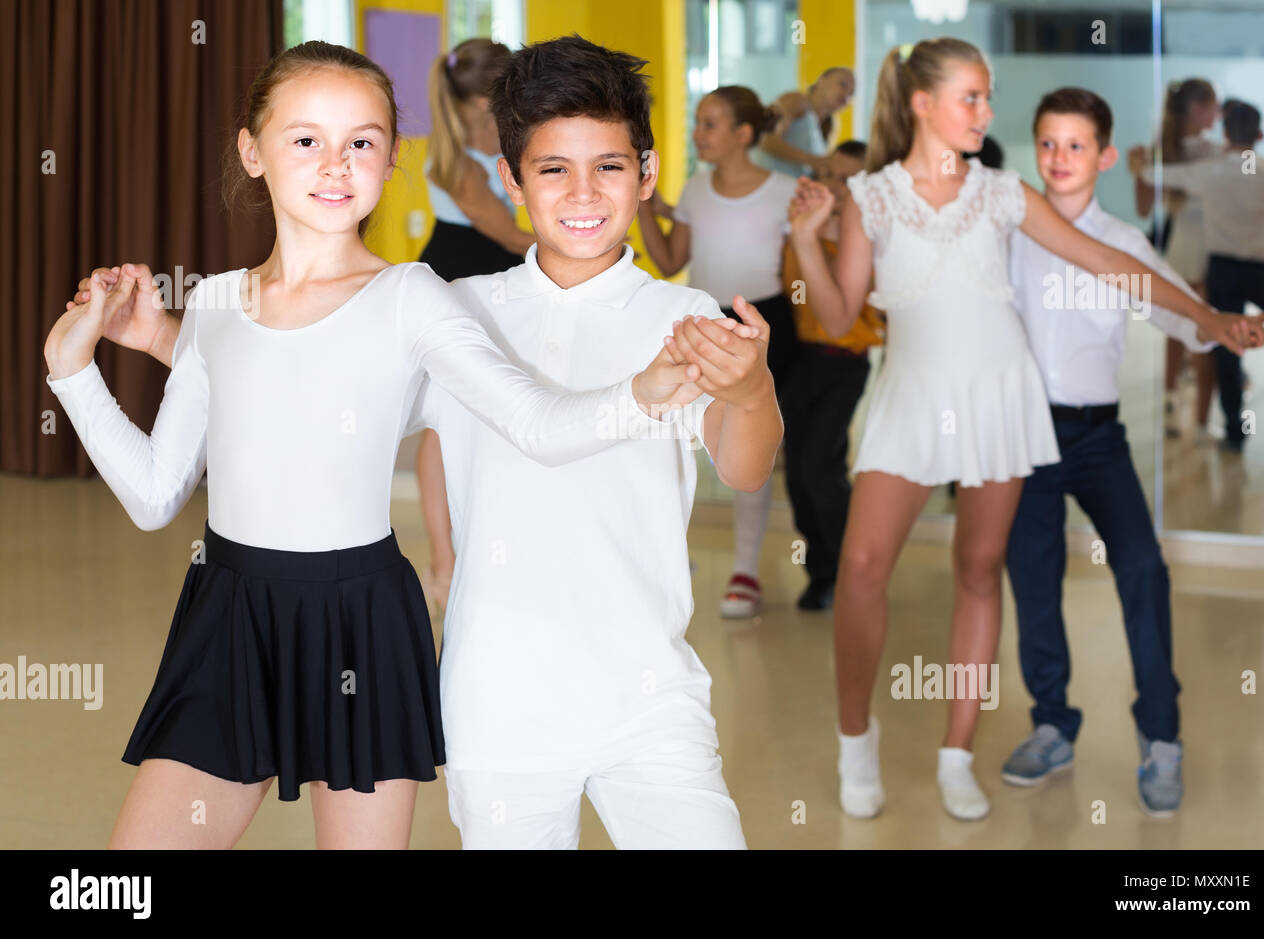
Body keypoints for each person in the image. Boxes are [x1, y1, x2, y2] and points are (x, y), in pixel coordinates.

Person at [77, 35, 783, 850]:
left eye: (611, 167)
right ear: (510, 180)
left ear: (649, 175)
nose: (582, 191)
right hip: (496, 696)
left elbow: (742, 461)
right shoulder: (463, 308)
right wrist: (173, 335)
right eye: (553, 168)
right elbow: (315, 383)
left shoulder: (680, 317)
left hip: (650, 690)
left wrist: (751, 387)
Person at [788, 37, 1252, 822]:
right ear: (926, 105)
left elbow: (1110, 263)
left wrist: (1208, 318)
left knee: (980, 568)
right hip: (909, 394)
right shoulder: (869, 197)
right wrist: (807, 238)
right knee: (863, 565)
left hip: (1001, 395)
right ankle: (854, 742)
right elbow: (836, 316)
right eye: (972, 97)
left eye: (987, 97)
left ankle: (956, 754)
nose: (987, 113)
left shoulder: (1003, 194)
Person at [1002, 87, 1264, 818]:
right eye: (1048, 144)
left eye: (1077, 146)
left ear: (1106, 156)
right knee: (1033, 575)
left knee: (1143, 567)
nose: (1060, 159)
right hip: (1025, 436)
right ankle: (1052, 723)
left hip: (1097, 437)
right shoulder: (1011, 233)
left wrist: (1225, 329)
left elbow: (1180, 312)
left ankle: (1161, 736)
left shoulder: (1122, 244)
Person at [638, 85, 798, 618]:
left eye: (710, 124)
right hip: (706, 323)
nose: (698, 133)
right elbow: (667, 261)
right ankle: (673, 556)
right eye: (698, 122)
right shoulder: (696, 191)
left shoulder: (783, 192)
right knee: (680, 439)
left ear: (743, 134)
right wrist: (641, 205)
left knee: (747, 450)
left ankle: (746, 570)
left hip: (762, 324)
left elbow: (799, 275)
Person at [417, 37, 537, 616]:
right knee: (442, 424)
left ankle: (490, 542)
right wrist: (589, 242)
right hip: (459, 280)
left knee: (484, 417)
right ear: (479, 103)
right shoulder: (456, 162)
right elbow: (510, 236)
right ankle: (445, 562)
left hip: (491, 280)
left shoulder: (489, 146)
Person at [1135, 99, 1264, 452]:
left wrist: (1142, 160)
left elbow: (1154, 174)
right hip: (1257, 270)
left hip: (1222, 271)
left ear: (1225, 133)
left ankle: (1234, 433)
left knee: (1227, 348)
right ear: (1260, 134)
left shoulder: (1210, 171)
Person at [779, 139, 884, 610]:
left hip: (846, 363)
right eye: (830, 175)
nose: (836, 187)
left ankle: (851, 569)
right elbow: (792, 292)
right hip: (801, 360)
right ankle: (822, 571)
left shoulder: (873, 241)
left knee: (821, 468)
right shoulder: (803, 231)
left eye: (849, 179)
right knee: (799, 474)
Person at [1127, 79, 1220, 440]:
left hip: (1180, 247)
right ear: (1198, 109)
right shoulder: (1215, 152)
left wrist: (1141, 170)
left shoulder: (1158, 152)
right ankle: (1200, 423)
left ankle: (1171, 405)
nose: (1217, 112)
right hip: (1208, 247)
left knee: (1176, 331)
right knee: (1205, 329)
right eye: (1213, 105)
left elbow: (1143, 207)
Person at [758, 67, 856, 179]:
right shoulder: (796, 101)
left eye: (851, 94)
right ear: (821, 80)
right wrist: (812, 160)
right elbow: (765, 139)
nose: (846, 95)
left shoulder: (828, 126)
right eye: (843, 84)